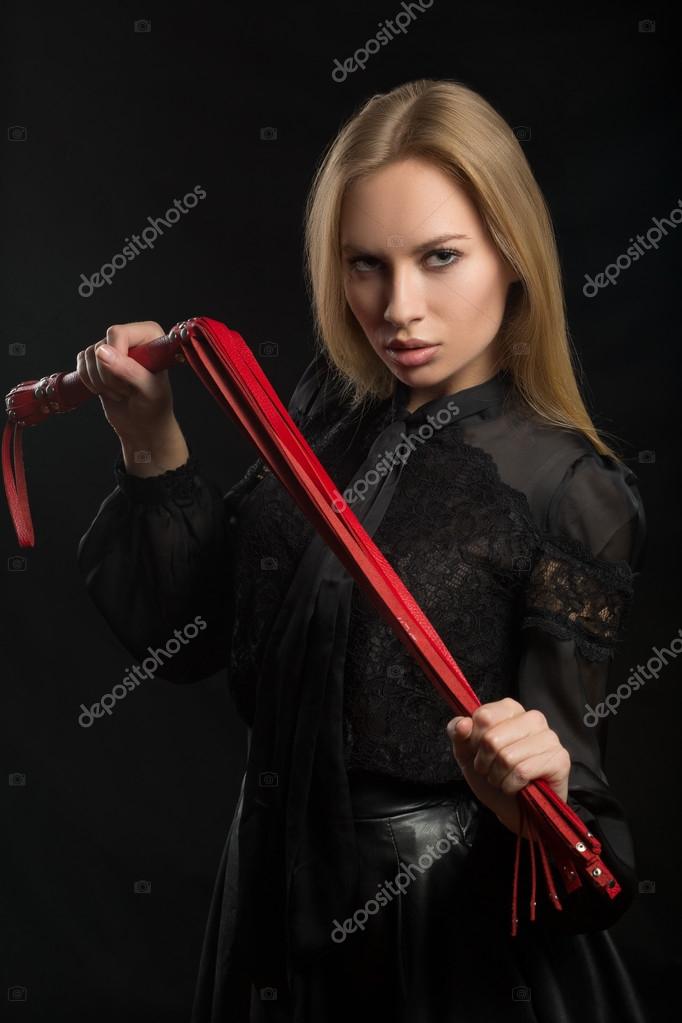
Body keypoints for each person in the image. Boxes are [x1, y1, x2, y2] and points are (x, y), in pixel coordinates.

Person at [76, 79, 650, 1022]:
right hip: (263, 897)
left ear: (512, 255)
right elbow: (187, 643)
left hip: (435, 943)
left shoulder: (572, 488)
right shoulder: (324, 409)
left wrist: (529, 788)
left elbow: (589, 853)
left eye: (440, 257)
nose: (399, 308)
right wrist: (148, 438)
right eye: (365, 265)